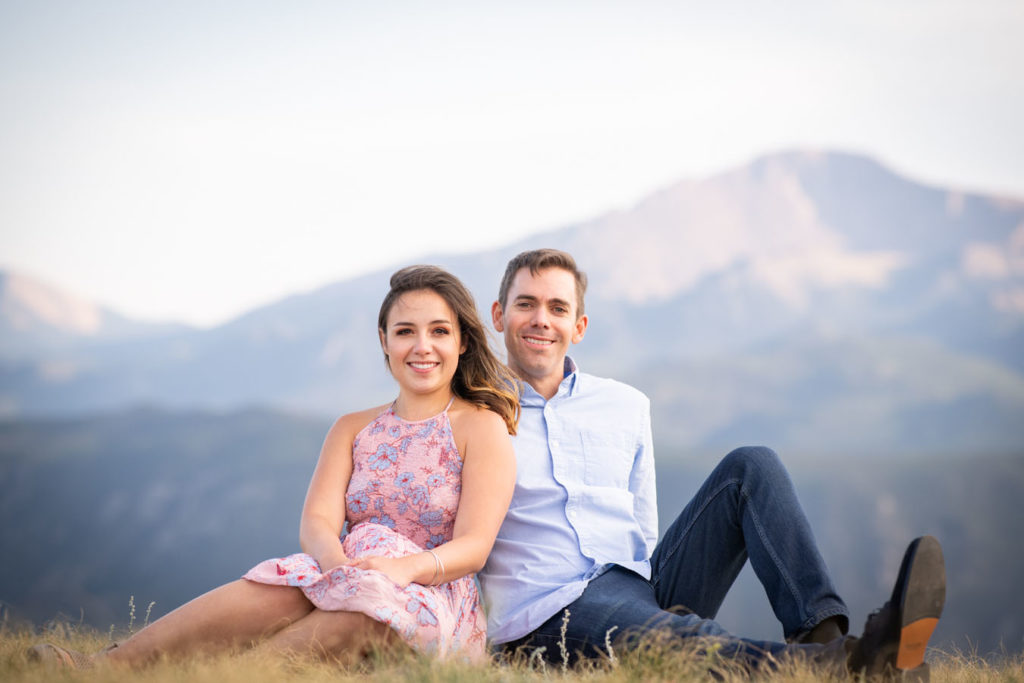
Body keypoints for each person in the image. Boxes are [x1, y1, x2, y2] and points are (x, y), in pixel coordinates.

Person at [478, 248, 946, 680]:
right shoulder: (473, 416)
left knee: (752, 467)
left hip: (635, 588)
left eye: (558, 308)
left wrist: (647, 600)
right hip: (543, 616)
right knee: (685, 639)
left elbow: (642, 527)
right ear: (499, 315)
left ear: (578, 326)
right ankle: (858, 664)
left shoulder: (625, 405)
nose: (542, 319)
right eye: (526, 304)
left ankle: (823, 641)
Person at [30, 265, 519, 668]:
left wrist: (396, 570)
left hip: (428, 594)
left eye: (439, 332)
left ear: (461, 343)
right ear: (384, 340)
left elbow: (474, 548)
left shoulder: (481, 427)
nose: (422, 346)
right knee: (284, 583)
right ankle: (104, 668)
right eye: (405, 331)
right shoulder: (351, 428)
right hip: (348, 568)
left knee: (367, 613)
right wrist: (337, 567)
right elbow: (318, 522)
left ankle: (225, 678)